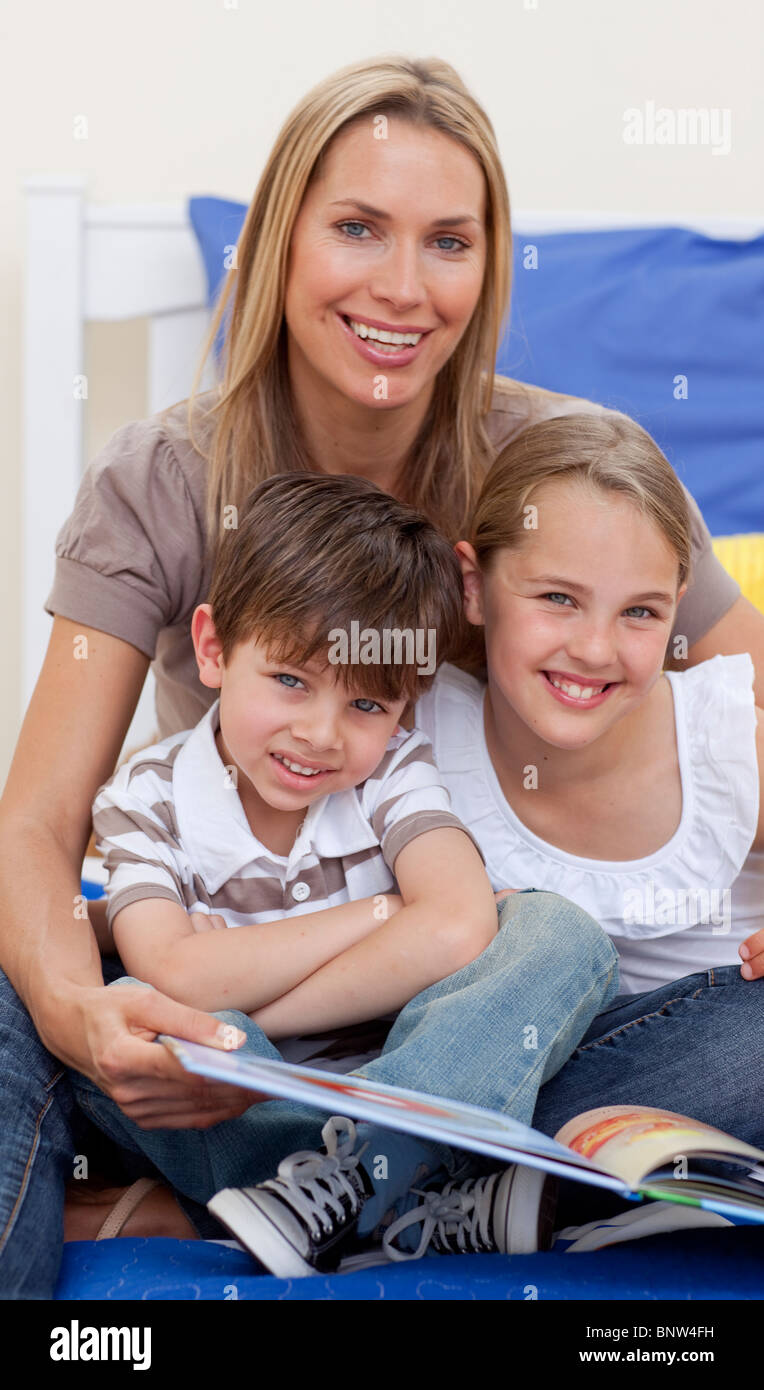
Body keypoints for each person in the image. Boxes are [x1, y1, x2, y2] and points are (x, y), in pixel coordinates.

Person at [1, 54, 762, 1296]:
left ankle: (317, 1194)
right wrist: (88, 1015)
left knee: (598, 969)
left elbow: (743, 700)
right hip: (239, 1044)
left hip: (502, 1043)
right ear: (272, 244)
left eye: (448, 242)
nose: (402, 288)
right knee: (20, 971)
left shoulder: (567, 472)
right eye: (357, 228)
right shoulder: (158, 482)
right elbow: (35, 822)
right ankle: (401, 1192)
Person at [66, 470, 617, 1277]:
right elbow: (175, 971)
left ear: (407, 706)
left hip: (407, 1081)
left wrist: (249, 976)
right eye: (290, 681)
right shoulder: (144, 799)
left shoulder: (392, 770)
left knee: (557, 932)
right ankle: (413, 1198)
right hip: (246, 1100)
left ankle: (349, 1188)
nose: (321, 734)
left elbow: (461, 923)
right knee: (134, 1012)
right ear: (214, 648)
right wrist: (385, 913)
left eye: (366, 706)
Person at [404, 411, 764, 1237]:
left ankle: (471, 1194)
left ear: (679, 609)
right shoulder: (420, 741)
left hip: (700, 1078)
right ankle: (463, 1189)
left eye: (639, 613)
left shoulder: (718, 741)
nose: (596, 650)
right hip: (500, 1084)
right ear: (473, 586)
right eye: (558, 599)